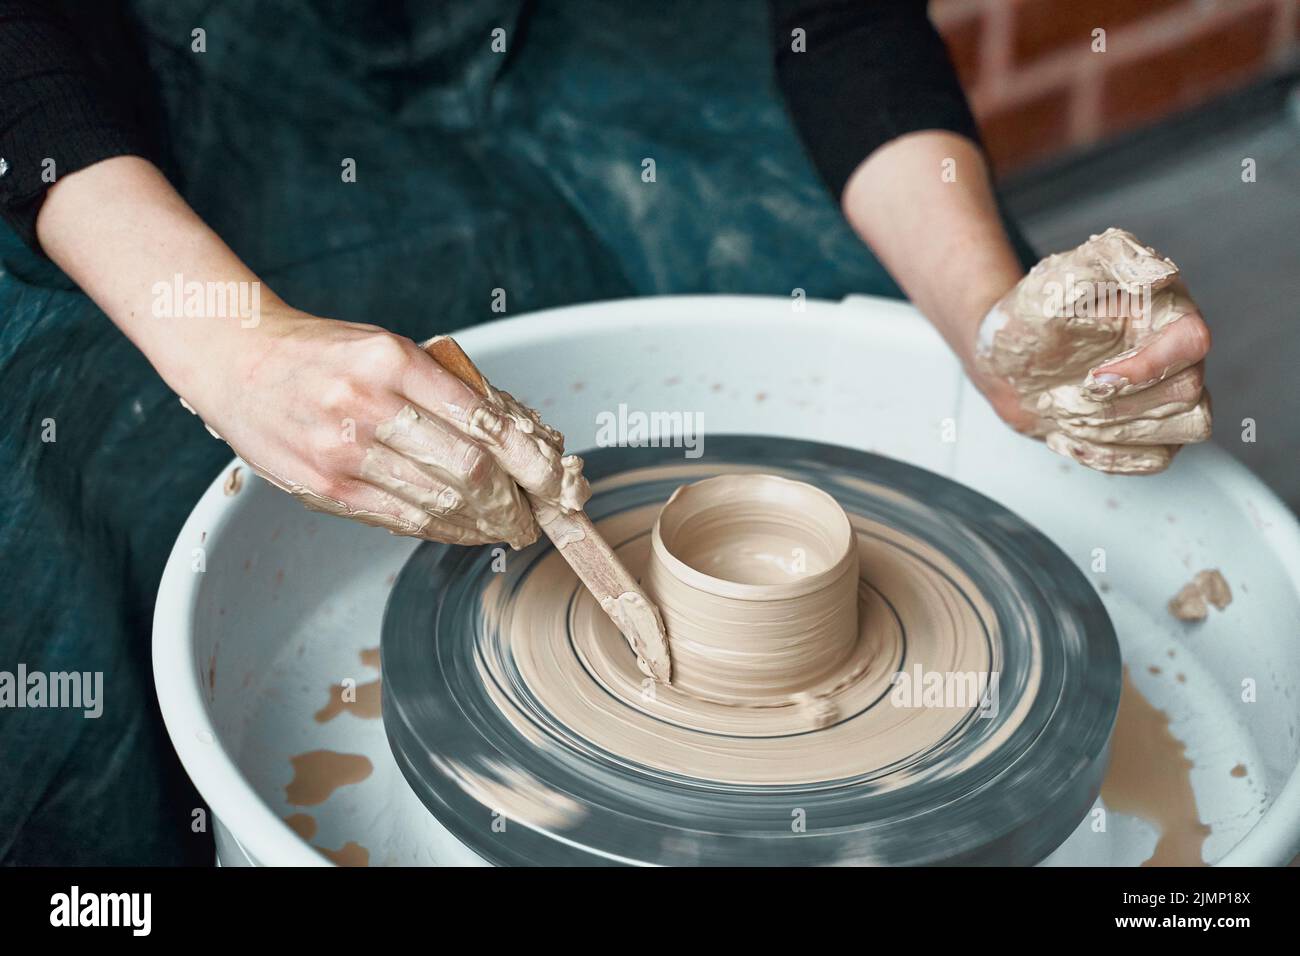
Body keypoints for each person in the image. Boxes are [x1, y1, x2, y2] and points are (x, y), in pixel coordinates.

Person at [0, 0, 1212, 864]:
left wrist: (987, 322)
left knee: (869, 302)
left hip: (607, 33)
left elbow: (841, 24)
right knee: (68, 458)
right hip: (187, 62)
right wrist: (231, 343)